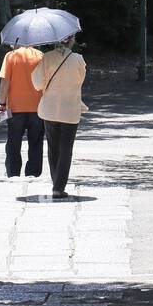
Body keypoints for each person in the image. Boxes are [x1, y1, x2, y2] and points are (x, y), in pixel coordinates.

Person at [31, 35, 87, 199]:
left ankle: (56, 183)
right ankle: (59, 186)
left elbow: (37, 83)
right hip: (70, 107)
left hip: (50, 107)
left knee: (53, 146)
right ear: (72, 41)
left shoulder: (47, 58)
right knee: (66, 148)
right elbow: (80, 80)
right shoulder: (78, 59)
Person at [0, 44, 45, 178]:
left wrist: (2, 102)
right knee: (36, 141)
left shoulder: (11, 56)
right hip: (37, 107)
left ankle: (13, 173)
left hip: (15, 108)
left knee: (13, 141)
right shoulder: (41, 56)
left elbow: (5, 80)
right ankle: (33, 173)